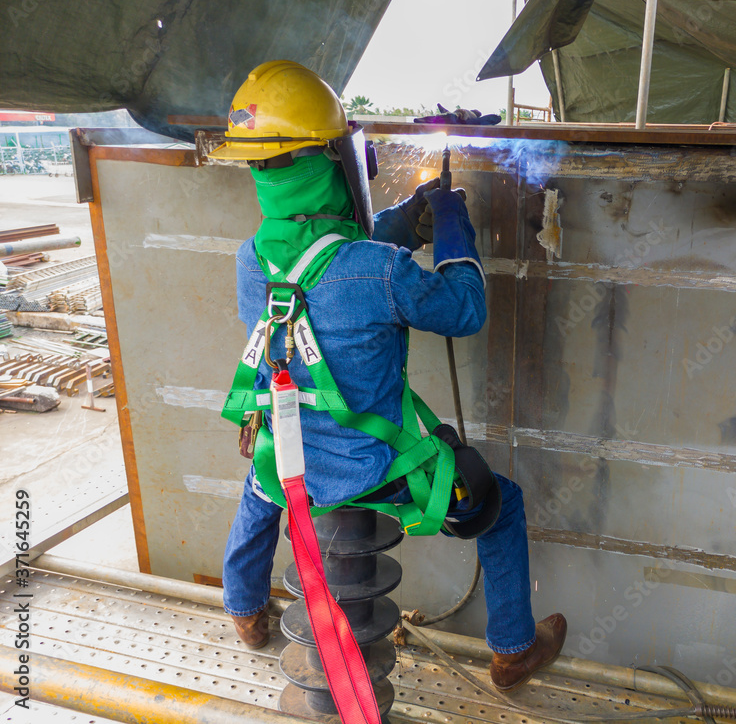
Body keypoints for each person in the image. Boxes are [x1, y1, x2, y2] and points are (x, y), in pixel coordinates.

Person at [209, 60, 566, 692]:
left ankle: (243, 612)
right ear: (333, 160)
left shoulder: (251, 259)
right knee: (503, 504)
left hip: (292, 461)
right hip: (379, 474)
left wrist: (410, 210)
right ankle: (512, 650)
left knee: (260, 490)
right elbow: (464, 308)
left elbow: (329, 258)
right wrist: (453, 228)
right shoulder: (377, 268)